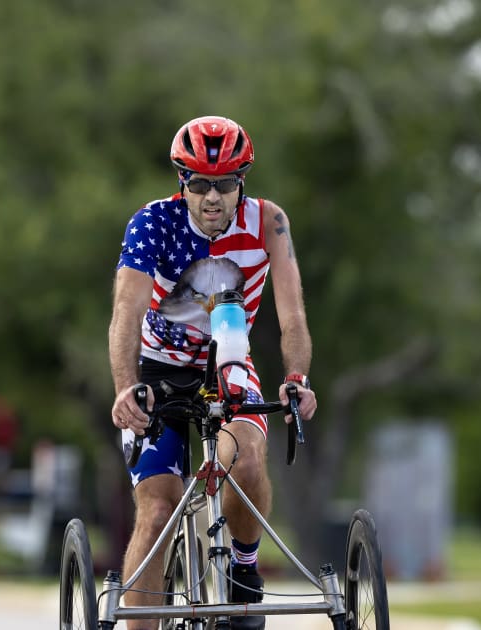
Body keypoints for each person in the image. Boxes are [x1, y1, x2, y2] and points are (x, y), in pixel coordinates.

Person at [109, 115, 318, 630]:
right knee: (158, 512)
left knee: (246, 464)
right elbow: (126, 313)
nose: (212, 198)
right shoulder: (152, 223)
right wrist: (123, 387)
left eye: (225, 184)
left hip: (229, 361)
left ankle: (244, 572)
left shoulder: (270, 222)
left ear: (241, 182)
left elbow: (292, 316)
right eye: (199, 183)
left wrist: (296, 378)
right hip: (158, 371)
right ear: (182, 182)